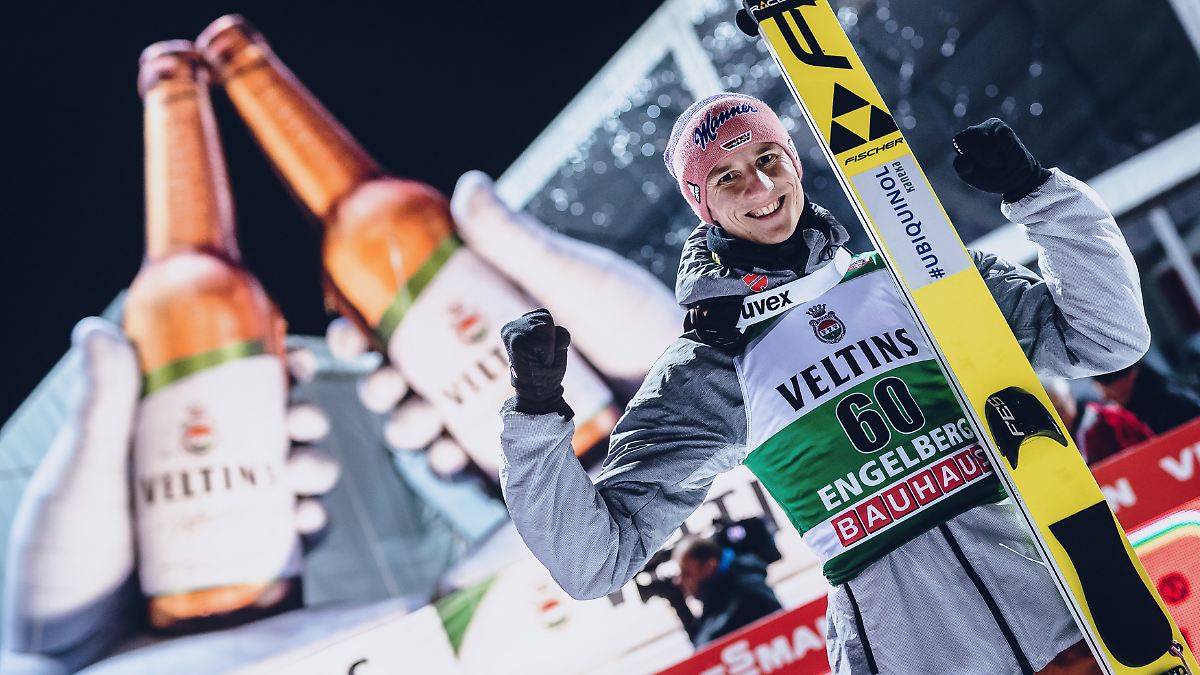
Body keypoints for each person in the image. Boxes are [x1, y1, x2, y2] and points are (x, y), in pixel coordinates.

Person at [499, 93, 1150, 674]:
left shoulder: (912, 275)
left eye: (768, 159)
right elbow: (594, 562)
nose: (757, 185)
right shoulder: (714, 363)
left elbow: (1105, 339)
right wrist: (534, 415)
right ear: (703, 206)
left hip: (1070, 626)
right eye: (726, 177)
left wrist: (1040, 194)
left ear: (795, 163)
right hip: (913, 653)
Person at [672, 535, 782, 647]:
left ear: (709, 566)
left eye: (685, 573)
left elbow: (707, 646)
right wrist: (679, 604)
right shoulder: (718, 596)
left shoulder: (745, 589)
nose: (679, 582)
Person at [1042, 376, 1154, 465]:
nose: (1058, 419)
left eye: (1060, 410)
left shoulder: (1110, 419)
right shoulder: (1046, 445)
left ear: (1070, 397)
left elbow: (1150, 451)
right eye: (1050, 417)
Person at [1092, 360, 1200, 434]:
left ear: (1130, 376)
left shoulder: (1174, 403)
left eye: (1107, 386)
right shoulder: (1118, 414)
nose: (1104, 397)